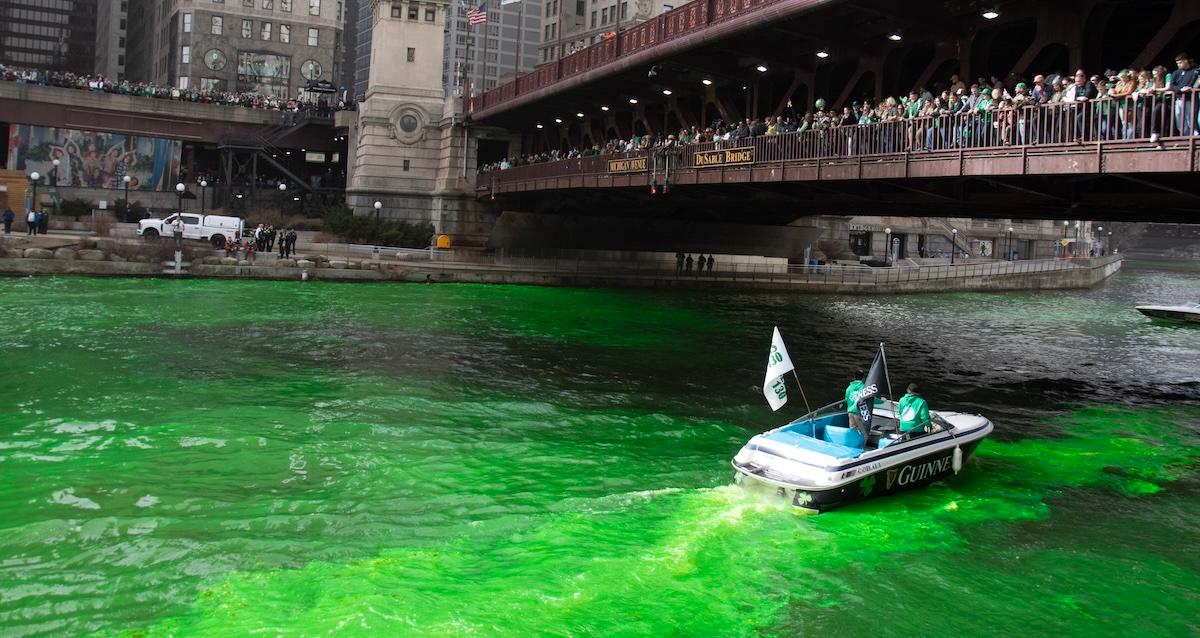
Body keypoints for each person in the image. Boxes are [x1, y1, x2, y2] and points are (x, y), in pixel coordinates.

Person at [844, 370, 867, 436]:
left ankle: (853, 445)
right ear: (863, 378)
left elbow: (846, 400)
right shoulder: (864, 388)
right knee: (863, 432)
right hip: (859, 412)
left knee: (853, 431)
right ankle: (863, 445)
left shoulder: (849, 388)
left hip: (850, 412)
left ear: (854, 377)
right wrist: (882, 401)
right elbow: (871, 398)